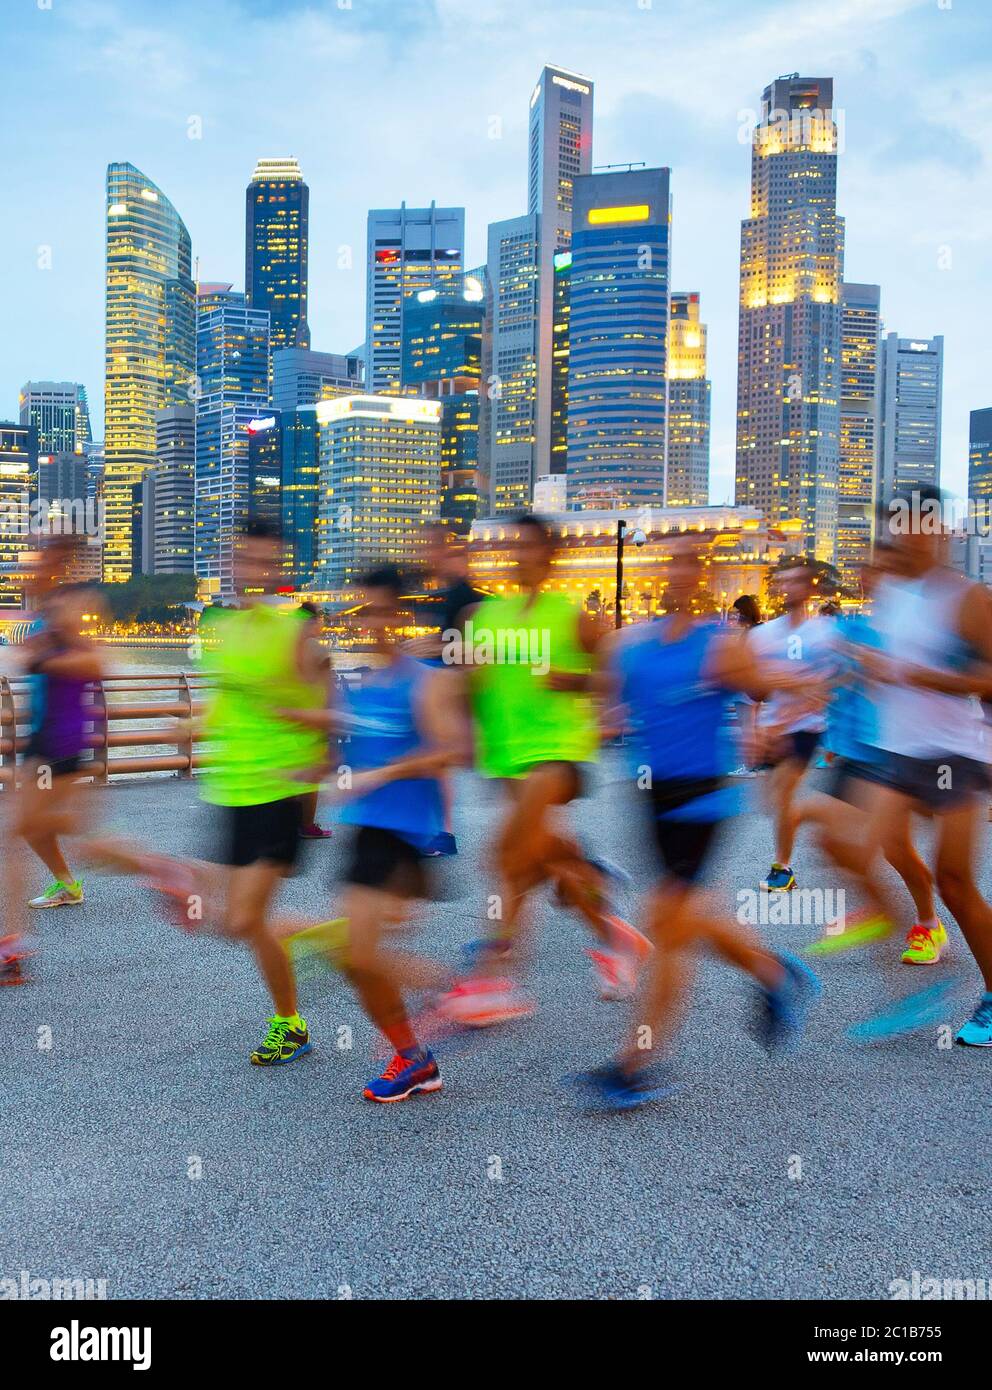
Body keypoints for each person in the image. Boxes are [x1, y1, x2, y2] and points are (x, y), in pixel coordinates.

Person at [572, 536, 820, 1108]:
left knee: (669, 923)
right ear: (657, 572)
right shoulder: (630, 646)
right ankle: (776, 974)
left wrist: (785, 701)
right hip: (649, 796)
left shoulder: (719, 643)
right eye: (670, 560)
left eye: (690, 561)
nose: (679, 570)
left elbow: (762, 684)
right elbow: (607, 707)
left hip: (703, 797)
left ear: (704, 574)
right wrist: (601, 719)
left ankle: (636, 1064)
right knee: (687, 917)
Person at [441, 514, 651, 1027]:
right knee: (550, 861)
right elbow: (467, 680)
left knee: (506, 854)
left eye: (532, 548)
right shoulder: (482, 615)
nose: (521, 556)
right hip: (507, 756)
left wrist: (572, 680)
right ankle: (615, 933)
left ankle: (496, 974)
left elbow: (611, 677)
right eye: (516, 547)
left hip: (559, 752)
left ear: (551, 557)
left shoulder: (570, 616)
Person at [279, 565, 470, 1102]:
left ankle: (449, 997)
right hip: (365, 830)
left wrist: (379, 775)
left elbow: (450, 750)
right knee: (359, 960)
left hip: (407, 835)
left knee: (359, 952)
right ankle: (418, 1053)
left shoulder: (425, 682)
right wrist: (309, 768)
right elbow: (344, 754)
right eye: (366, 612)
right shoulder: (361, 685)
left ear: (402, 615)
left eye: (384, 611)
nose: (374, 623)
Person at [851, 488, 992, 1044]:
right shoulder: (891, 594)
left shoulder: (966, 599)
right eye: (894, 528)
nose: (901, 538)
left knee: (956, 881)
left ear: (937, 531)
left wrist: (910, 674)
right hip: (900, 753)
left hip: (956, 753)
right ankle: (914, 989)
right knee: (855, 851)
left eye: (911, 527)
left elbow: (987, 680)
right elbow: (888, 668)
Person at [796, 548, 943, 962]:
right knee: (868, 846)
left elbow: (925, 685)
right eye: (866, 569)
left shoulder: (912, 632)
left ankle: (916, 923)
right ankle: (902, 916)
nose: (869, 576)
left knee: (860, 845)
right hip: (853, 750)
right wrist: (813, 695)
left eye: (881, 570)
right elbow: (842, 678)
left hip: (893, 750)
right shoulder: (854, 628)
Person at [748, 560, 834, 891]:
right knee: (772, 801)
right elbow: (752, 689)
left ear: (810, 588)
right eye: (784, 582)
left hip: (807, 727)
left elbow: (835, 683)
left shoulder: (825, 633)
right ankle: (832, 817)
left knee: (783, 791)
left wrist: (815, 691)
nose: (789, 587)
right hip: (773, 727)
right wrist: (754, 730)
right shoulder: (762, 635)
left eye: (797, 581)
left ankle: (782, 868)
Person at [296, 601, 333, 841]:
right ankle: (307, 824)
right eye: (319, 620)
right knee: (312, 777)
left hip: (292, 715)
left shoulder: (290, 648)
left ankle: (289, 822)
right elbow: (329, 688)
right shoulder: (318, 650)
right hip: (314, 717)